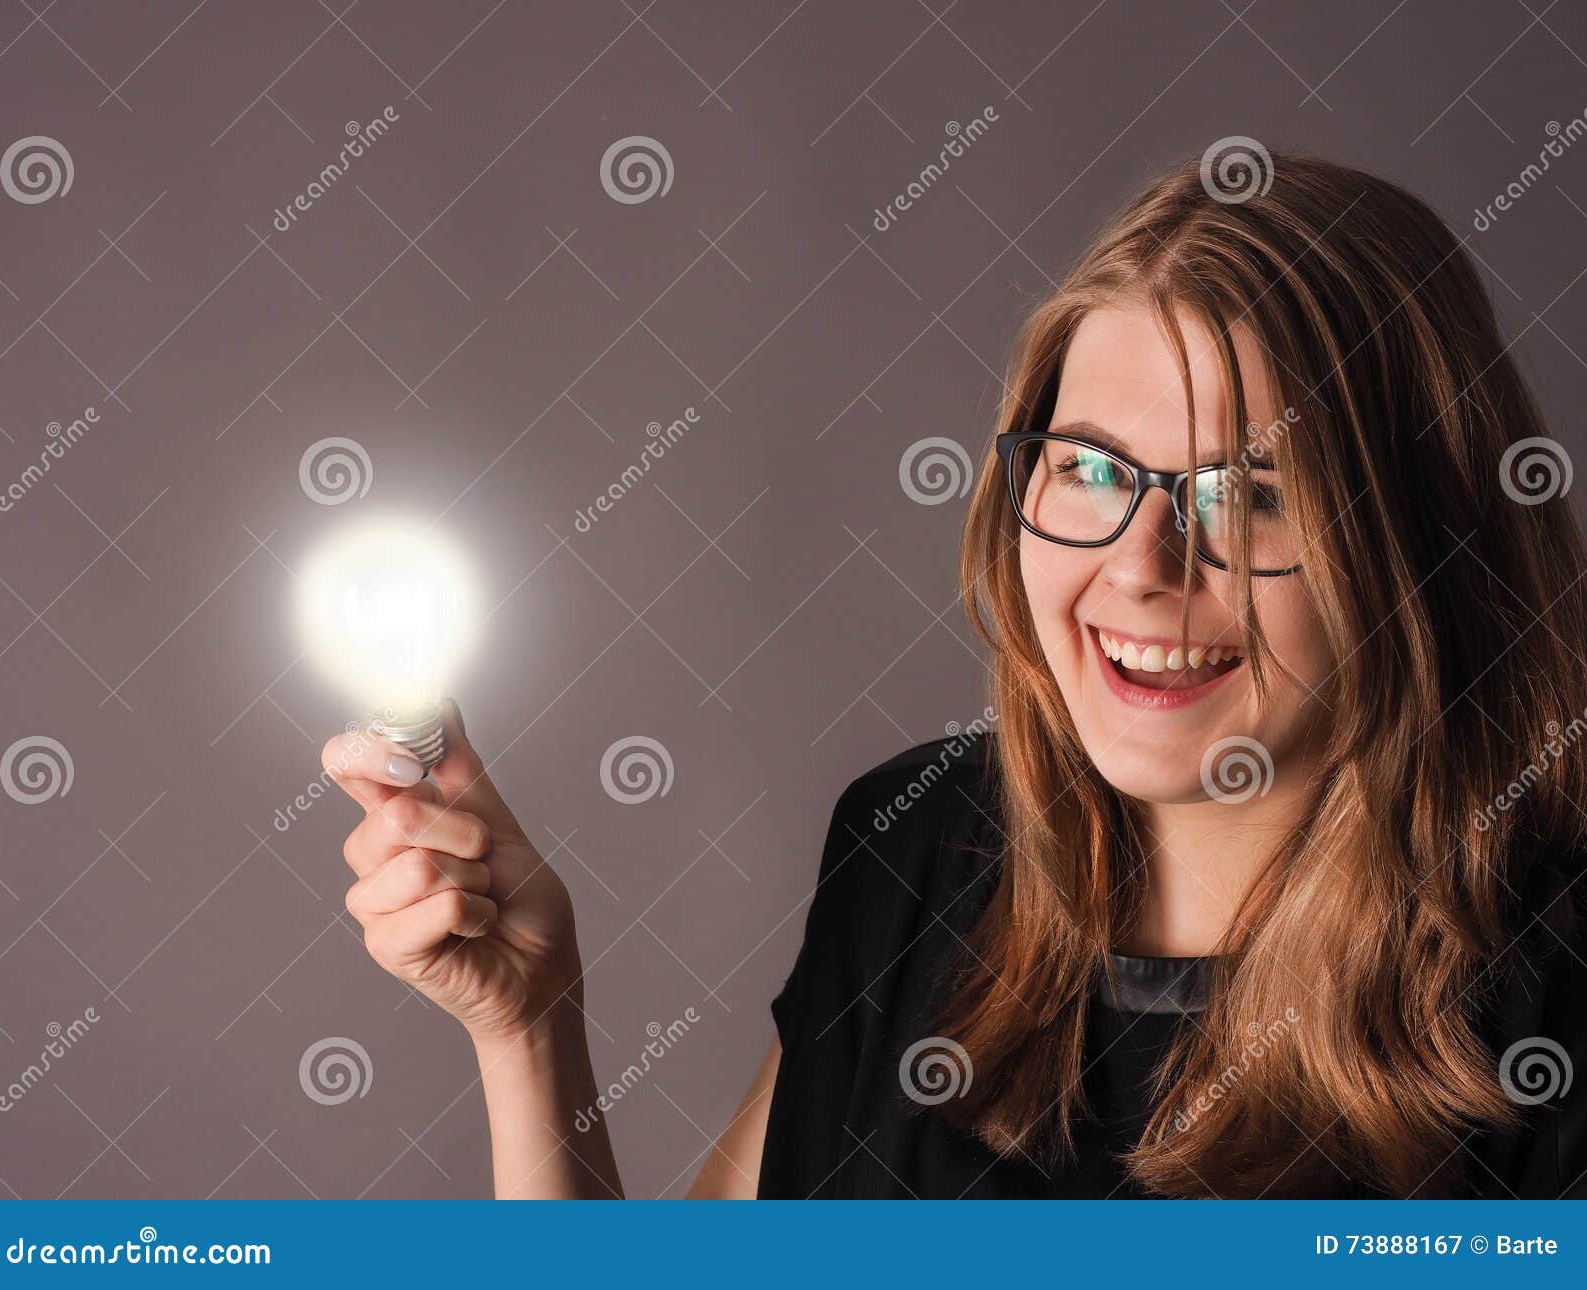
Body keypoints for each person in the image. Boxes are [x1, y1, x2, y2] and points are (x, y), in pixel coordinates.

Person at [322, 152, 1587, 1198]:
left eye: (1247, 494)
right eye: (1089, 468)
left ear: (1421, 539)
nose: (1143, 567)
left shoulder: (1552, 980)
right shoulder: (918, 846)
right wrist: (528, 1024)